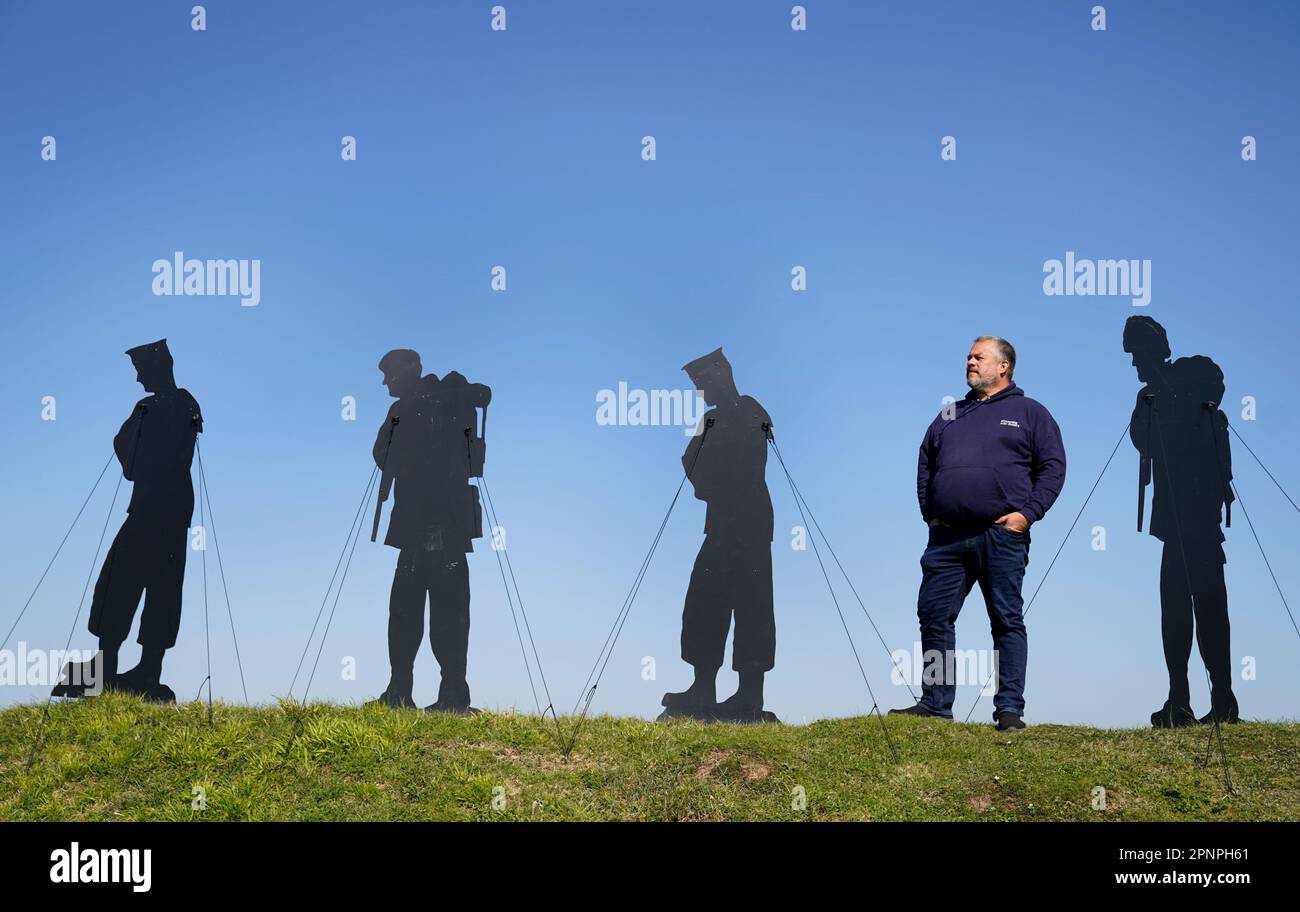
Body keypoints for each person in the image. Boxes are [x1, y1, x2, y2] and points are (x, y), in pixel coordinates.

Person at [891, 336, 1066, 731]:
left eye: (978, 357)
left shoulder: (1030, 412)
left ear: (1003, 366)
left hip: (1000, 535)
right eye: (968, 357)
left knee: (1006, 619)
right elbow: (926, 463)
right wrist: (931, 514)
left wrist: (1027, 514)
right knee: (934, 616)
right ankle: (935, 705)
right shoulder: (950, 413)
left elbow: (1053, 468)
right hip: (947, 539)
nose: (970, 362)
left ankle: (1008, 711)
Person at [53, 339, 201, 703]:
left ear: (157, 367)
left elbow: (128, 456)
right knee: (134, 586)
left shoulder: (157, 406)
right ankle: (129, 667)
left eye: (140, 371)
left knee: (129, 585)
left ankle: (137, 668)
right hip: (168, 511)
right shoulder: (183, 405)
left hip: (154, 511)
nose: (138, 380)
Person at [1124, 316, 1238, 727]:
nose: (1135, 365)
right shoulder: (1150, 395)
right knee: (1176, 609)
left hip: (1199, 517)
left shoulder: (1191, 376)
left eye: (1138, 355)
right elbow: (1143, 440)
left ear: (1153, 352)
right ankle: (1181, 698)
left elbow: (1213, 385)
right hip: (1175, 520)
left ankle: (1220, 698)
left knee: (1205, 606)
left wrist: (1166, 395)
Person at [368, 349, 490, 713]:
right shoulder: (447, 399)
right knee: (444, 611)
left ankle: (407, 691)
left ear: (405, 373)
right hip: (445, 524)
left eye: (389, 375)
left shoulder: (407, 409)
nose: (385, 382)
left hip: (420, 524)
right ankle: (448, 693)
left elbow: (380, 454)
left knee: (411, 611)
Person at [660, 348, 778, 723]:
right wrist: (710, 483)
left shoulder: (750, 409)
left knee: (753, 606)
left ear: (721, 377)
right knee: (703, 601)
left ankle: (749, 695)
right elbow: (690, 460)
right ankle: (702, 688)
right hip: (721, 522)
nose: (701, 391)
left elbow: (748, 457)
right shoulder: (711, 419)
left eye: (703, 383)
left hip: (751, 525)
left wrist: (715, 478)